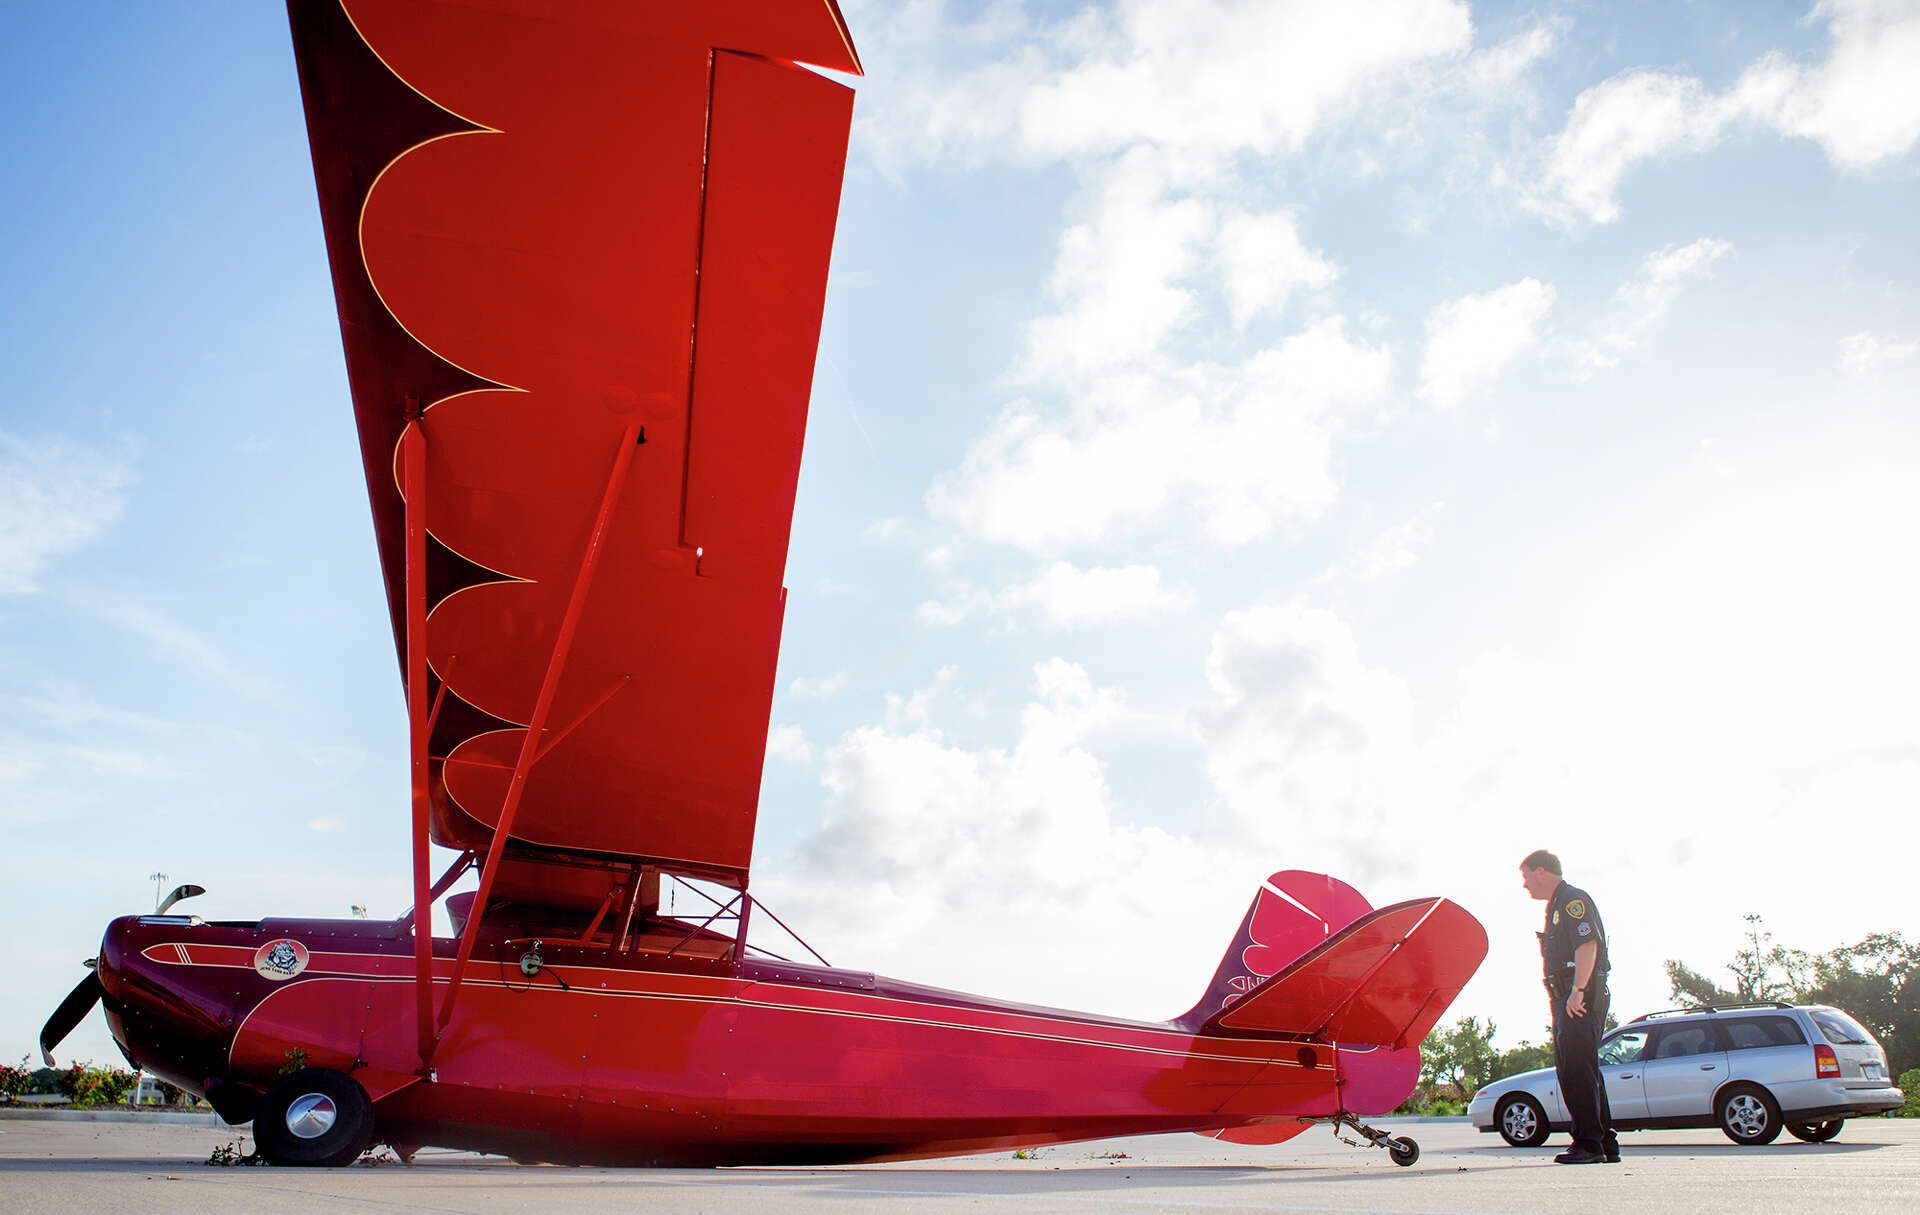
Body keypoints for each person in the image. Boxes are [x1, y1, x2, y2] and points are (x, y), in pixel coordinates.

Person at [1520, 849, 1618, 1164]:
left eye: (1526, 876)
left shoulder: (1573, 900)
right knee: (1582, 1068)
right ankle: (1604, 1143)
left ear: (1540, 872)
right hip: (1568, 996)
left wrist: (1578, 990)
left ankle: (1588, 1144)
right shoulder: (1557, 906)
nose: (1525, 885)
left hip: (1578, 997)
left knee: (1576, 1070)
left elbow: (1587, 944)